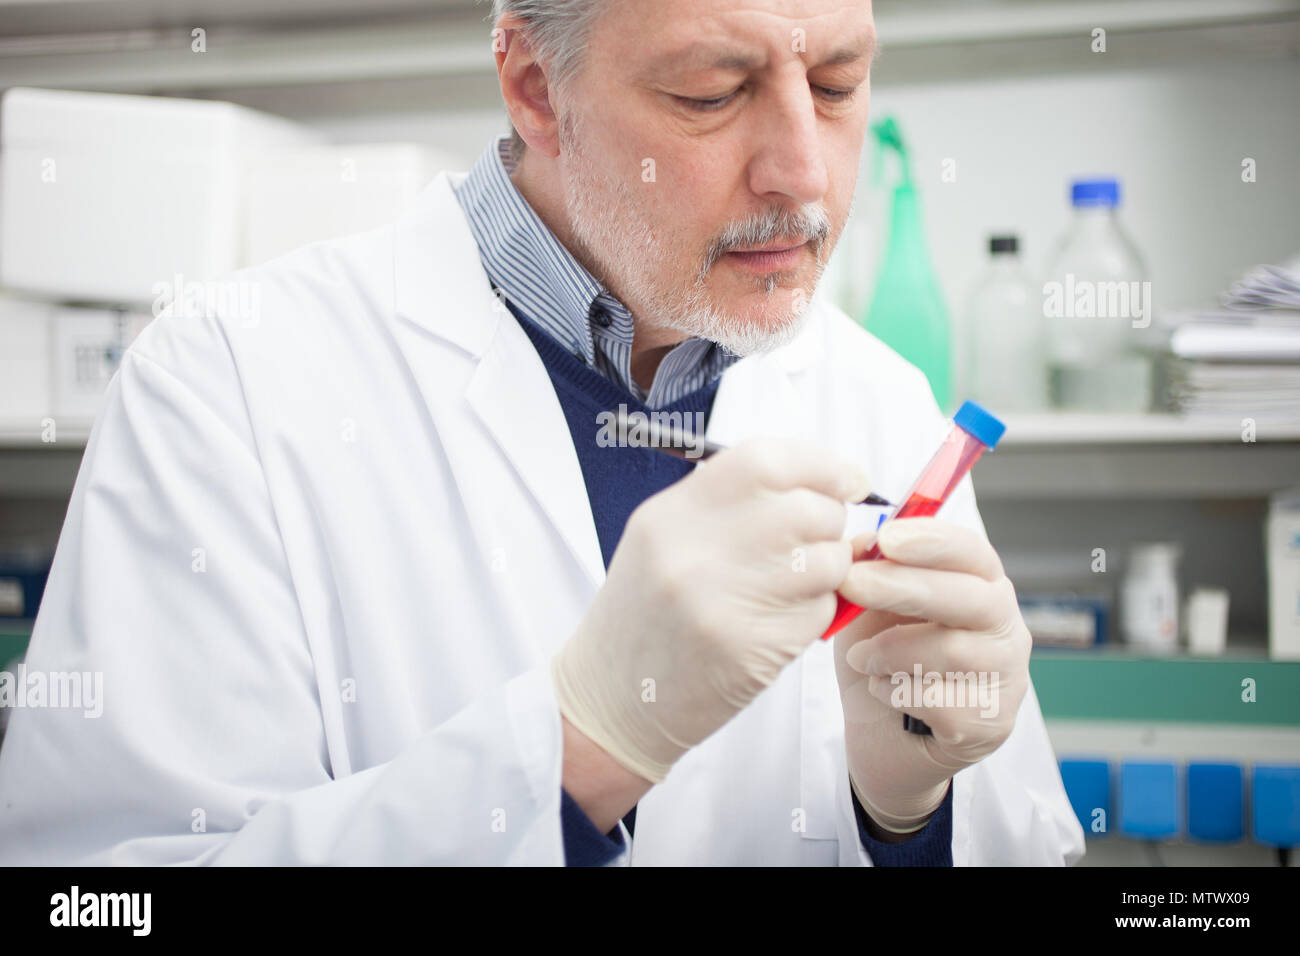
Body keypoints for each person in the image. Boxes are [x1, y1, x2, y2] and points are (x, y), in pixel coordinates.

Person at [0, 0, 1084, 865]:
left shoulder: (880, 398)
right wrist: (575, 748)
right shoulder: (225, 381)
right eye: (713, 93)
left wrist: (910, 809)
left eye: (838, 84)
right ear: (535, 89)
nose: (803, 173)